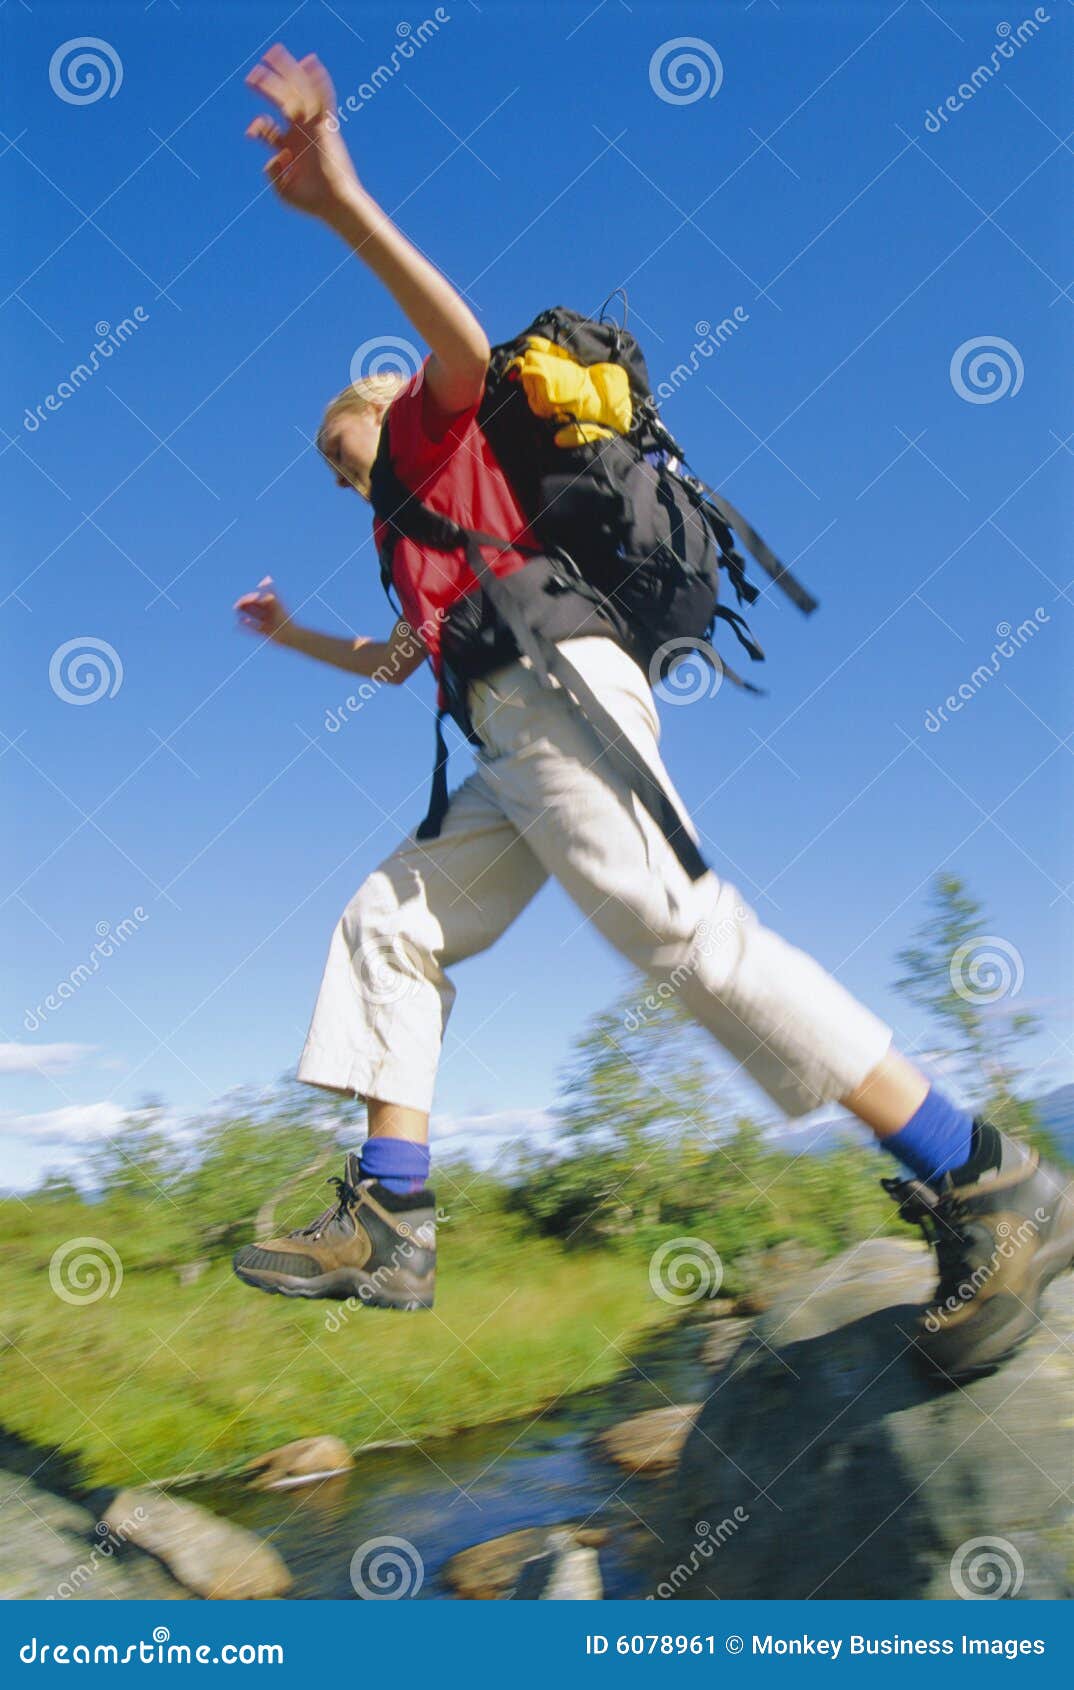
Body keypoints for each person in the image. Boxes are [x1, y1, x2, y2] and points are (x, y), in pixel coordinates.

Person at [230, 44, 1073, 1379]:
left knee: (682, 937)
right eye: (340, 472)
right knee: (389, 920)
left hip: (559, 689)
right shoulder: (410, 535)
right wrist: (290, 638)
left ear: (382, 415)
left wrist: (338, 200)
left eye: (353, 449)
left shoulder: (435, 430)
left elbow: (451, 342)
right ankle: (391, 1212)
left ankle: (982, 1175)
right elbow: (396, 662)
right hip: (503, 748)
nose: (352, 476)